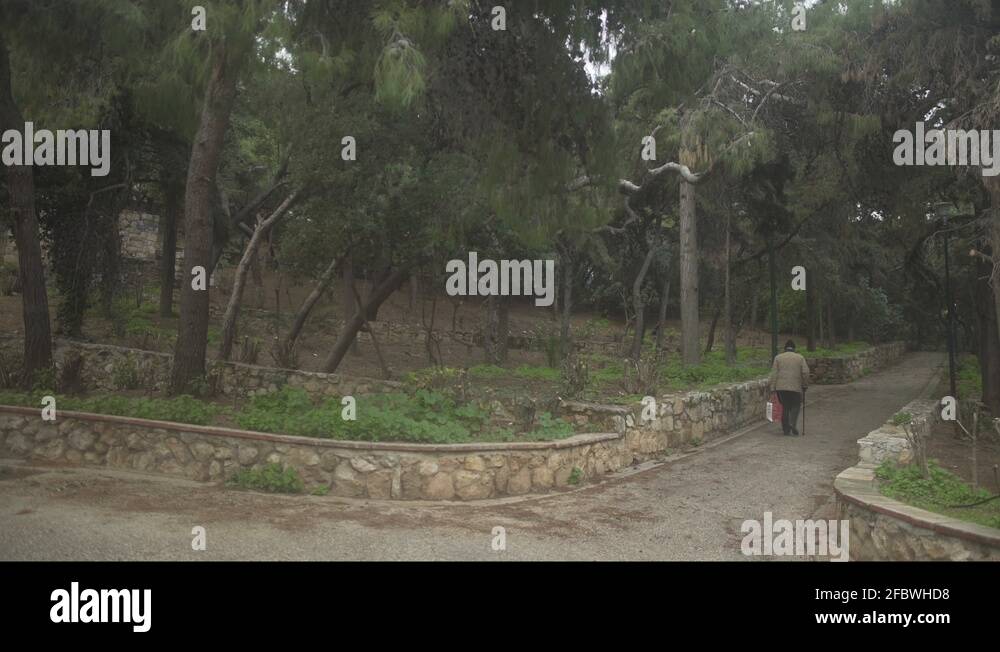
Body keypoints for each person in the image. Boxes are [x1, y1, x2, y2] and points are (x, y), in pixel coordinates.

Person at [769, 340, 810, 436]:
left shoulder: (778, 358)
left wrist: (772, 388)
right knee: (796, 406)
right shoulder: (800, 358)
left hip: (781, 388)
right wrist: (805, 385)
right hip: (796, 387)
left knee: (785, 407)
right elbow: (805, 372)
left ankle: (786, 429)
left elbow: (774, 374)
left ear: (785, 348)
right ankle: (792, 423)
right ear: (794, 348)